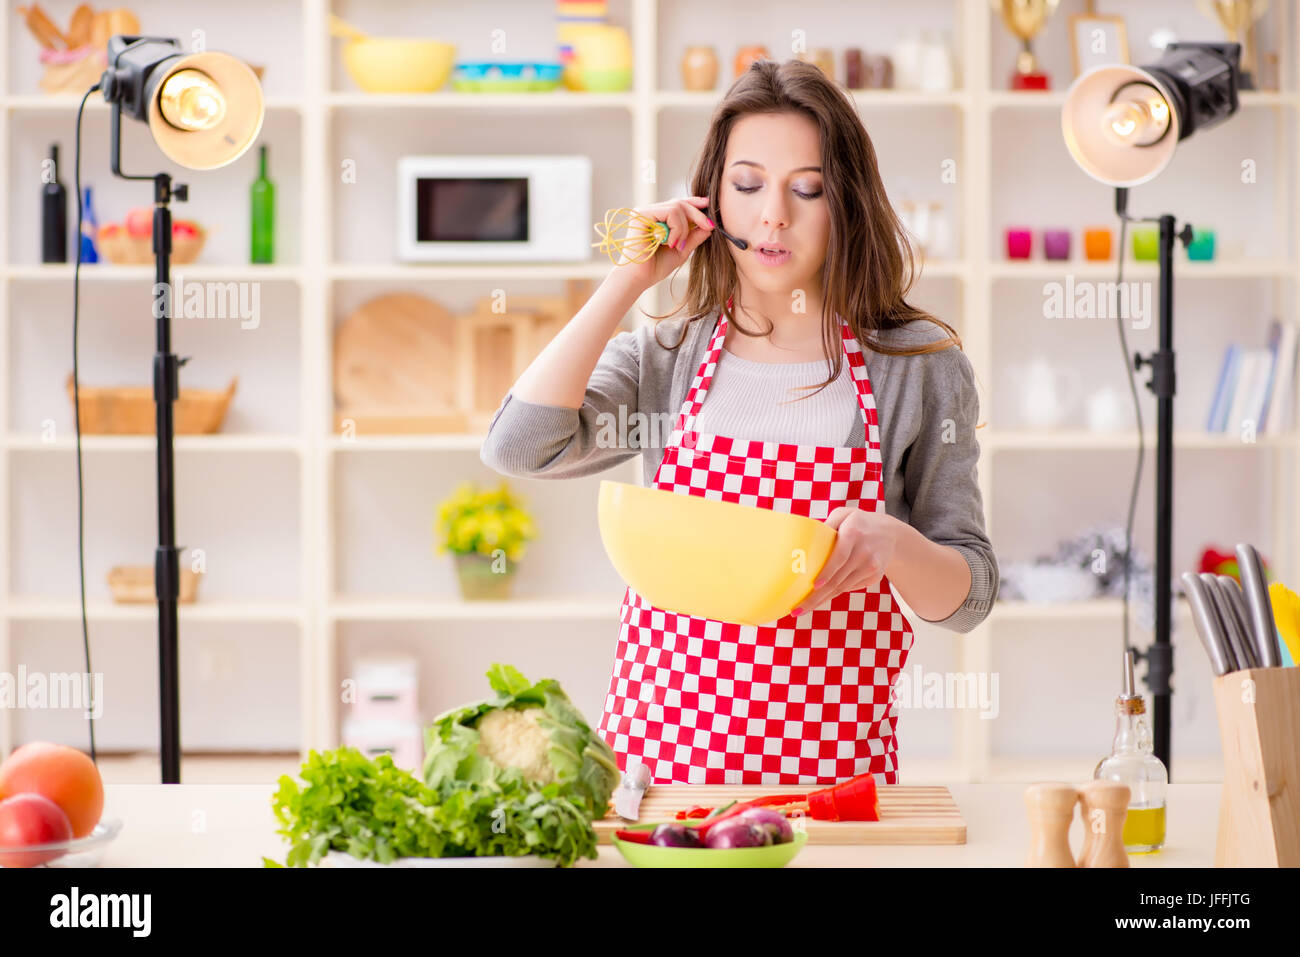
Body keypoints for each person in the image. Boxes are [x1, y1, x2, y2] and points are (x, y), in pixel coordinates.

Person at [480, 58, 997, 785]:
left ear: (845, 202)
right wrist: (627, 279)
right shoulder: (667, 355)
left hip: (832, 786)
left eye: (807, 189)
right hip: (659, 781)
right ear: (713, 202)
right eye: (747, 185)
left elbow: (970, 595)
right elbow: (518, 447)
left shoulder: (916, 365)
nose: (773, 215)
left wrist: (896, 545)